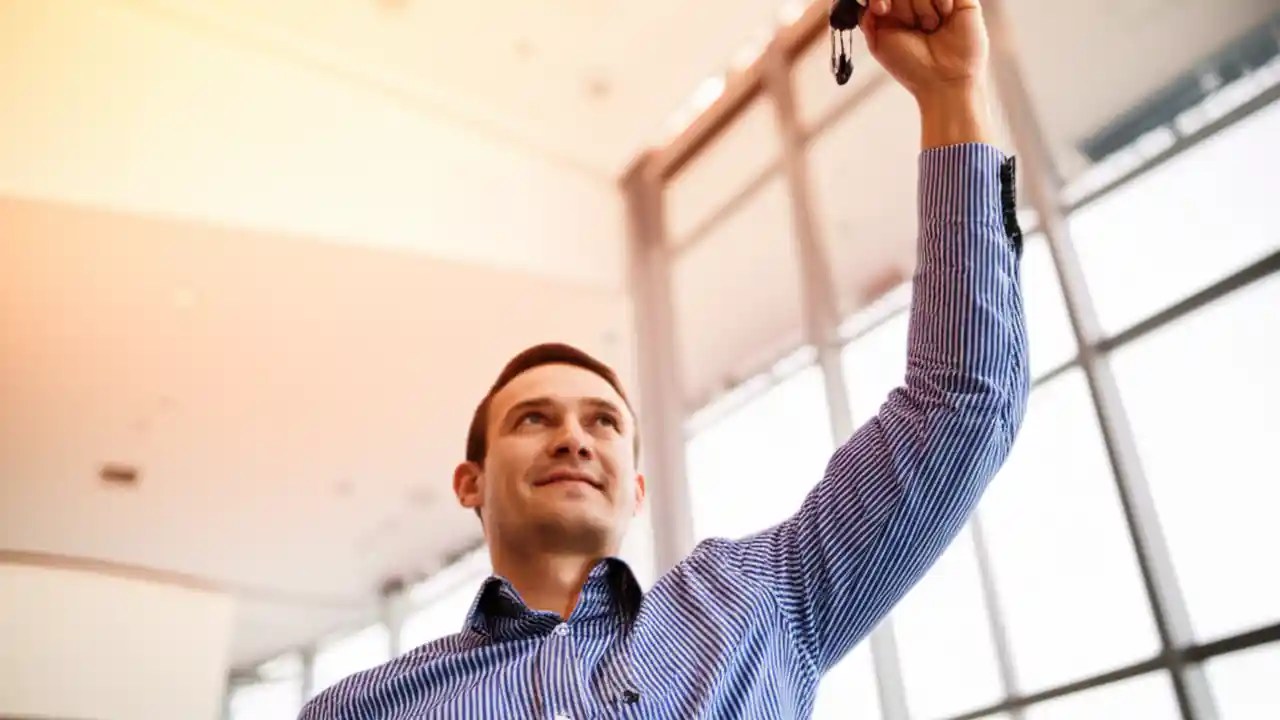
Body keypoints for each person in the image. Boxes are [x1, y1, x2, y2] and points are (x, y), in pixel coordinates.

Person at [300, 0, 1028, 717]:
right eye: (531, 418)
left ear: (637, 489)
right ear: (470, 481)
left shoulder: (760, 605)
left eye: (605, 424)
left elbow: (961, 408)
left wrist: (950, 95)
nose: (574, 438)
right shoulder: (359, 710)